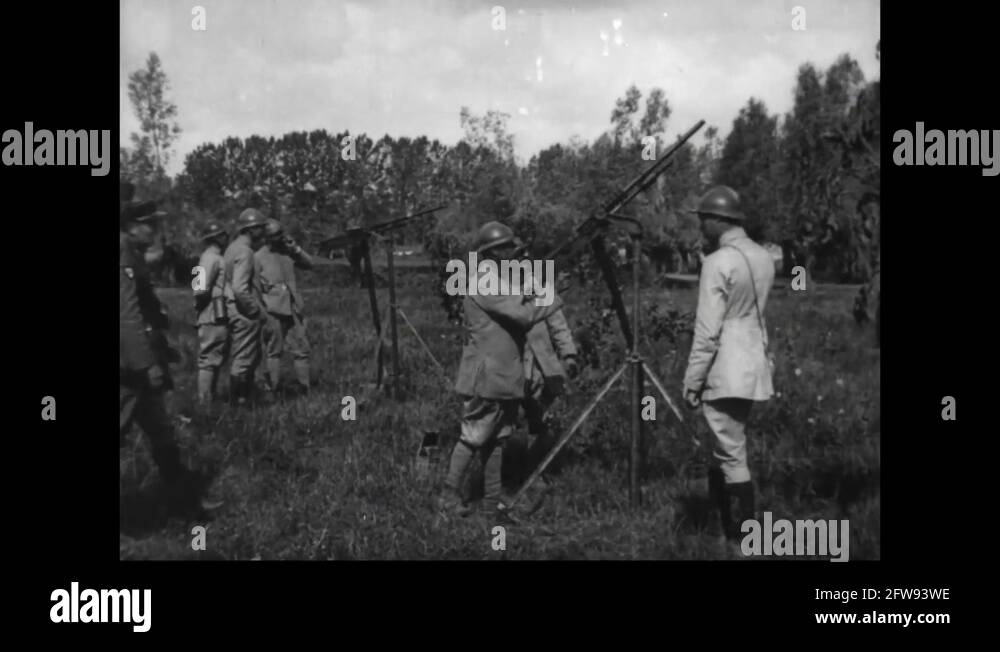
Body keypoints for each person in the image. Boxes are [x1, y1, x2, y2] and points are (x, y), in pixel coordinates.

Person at [438, 221, 565, 524]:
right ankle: (447, 497)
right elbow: (521, 316)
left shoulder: (497, 278)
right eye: (508, 247)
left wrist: (536, 292)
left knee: (496, 439)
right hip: (489, 375)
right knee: (474, 436)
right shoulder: (485, 281)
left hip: (503, 374)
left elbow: (519, 302)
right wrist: (551, 298)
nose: (514, 251)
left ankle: (491, 503)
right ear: (493, 253)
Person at [120, 180, 221, 514]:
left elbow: (145, 308)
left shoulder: (132, 253)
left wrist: (158, 347)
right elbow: (127, 314)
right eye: (150, 225)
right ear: (131, 226)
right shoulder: (122, 251)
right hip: (128, 368)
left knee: (162, 431)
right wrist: (145, 364)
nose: (155, 230)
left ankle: (185, 500)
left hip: (139, 360)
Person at [682, 185, 774, 542]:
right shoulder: (762, 256)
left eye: (705, 219)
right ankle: (726, 528)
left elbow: (707, 332)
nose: (701, 225)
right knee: (729, 445)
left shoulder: (718, 262)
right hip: (754, 361)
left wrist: (692, 380)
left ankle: (739, 535)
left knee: (731, 452)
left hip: (725, 366)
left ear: (720, 220)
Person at [505, 291, 578, 501]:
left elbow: (558, 323)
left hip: (540, 366)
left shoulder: (540, 287)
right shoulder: (495, 285)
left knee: (540, 420)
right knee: (506, 421)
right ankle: (505, 476)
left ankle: (534, 473)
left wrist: (568, 354)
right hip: (509, 363)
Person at [255, 218, 314, 395]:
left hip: (293, 309)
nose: (279, 238)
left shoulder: (288, 252)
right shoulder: (258, 257)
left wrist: (296, 248)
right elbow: (255, 287)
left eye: (280, 233)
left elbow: (309, 264)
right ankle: (273, 388)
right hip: (272, 310)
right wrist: (261, 311)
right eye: (274, 236)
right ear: (266, 238)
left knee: (302, 349)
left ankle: (305, 389)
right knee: (274, 351)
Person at [223, 208, 269, 404]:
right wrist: (255, 310)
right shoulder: (245, 252)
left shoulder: (232, 248)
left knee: (247, 354)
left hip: (234, 308)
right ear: (251, 230)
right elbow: (240, 288)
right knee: (244, 358)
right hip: (244, 312)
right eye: (260, 228)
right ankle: (239, 403)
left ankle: (243, 399)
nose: (263, 231)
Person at [193, 220, 230, 406]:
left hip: (216, 313)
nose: (226, 237)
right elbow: (199, 289)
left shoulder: (214, 257)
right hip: (212, 313)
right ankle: (204, 401)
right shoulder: (210, 258)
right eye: (222, 235)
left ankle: (209, 399)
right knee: (209, 359)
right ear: (215, 238)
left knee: (214, 358)